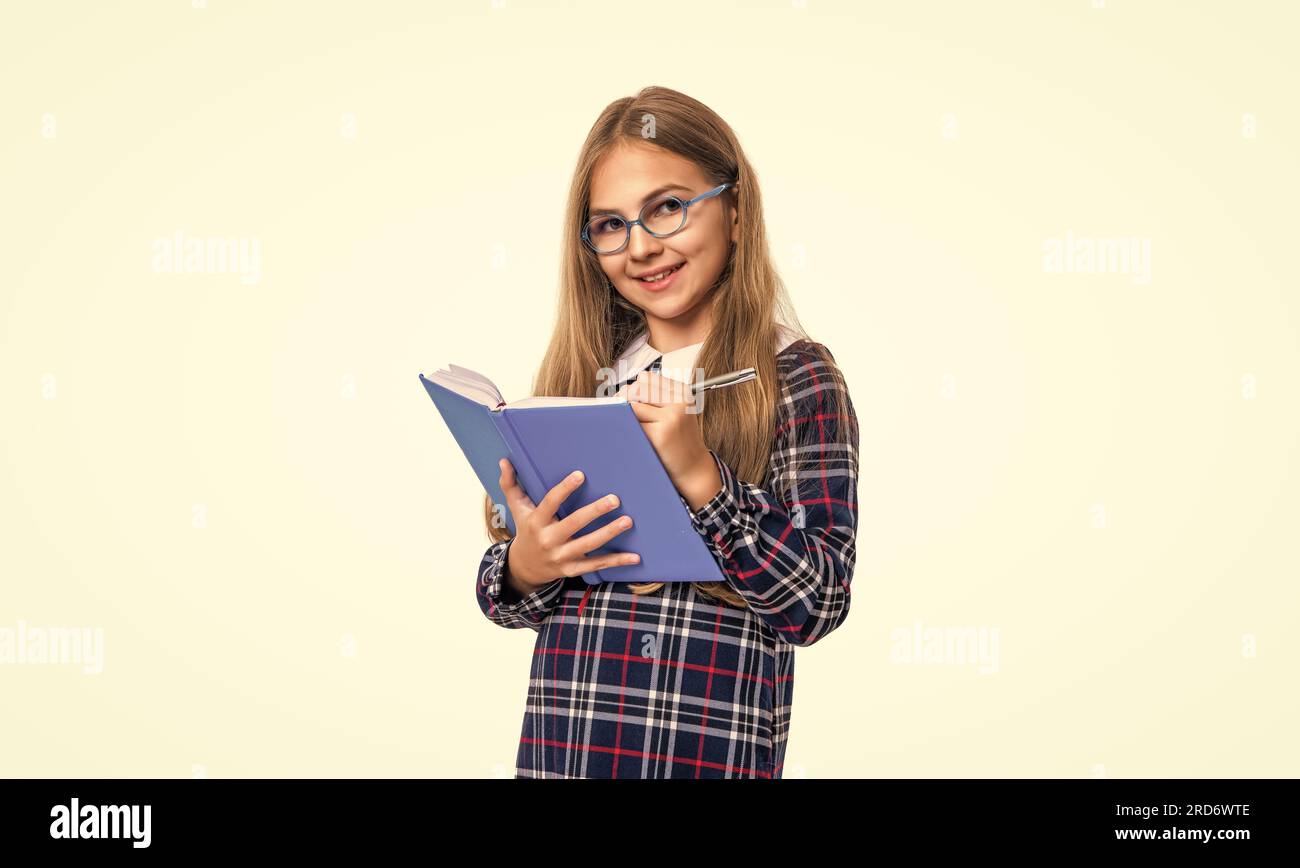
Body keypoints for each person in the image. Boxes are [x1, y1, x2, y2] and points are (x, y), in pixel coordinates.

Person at [474, 86, 860, 779]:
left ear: (735, 211)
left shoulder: (794, 376)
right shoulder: (591, 377)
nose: (642, 247)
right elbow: (508, 598)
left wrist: (703, 477)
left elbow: (819, 603)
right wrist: (526, 565)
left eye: (667, 208)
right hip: (564, 757)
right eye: (611, 224)